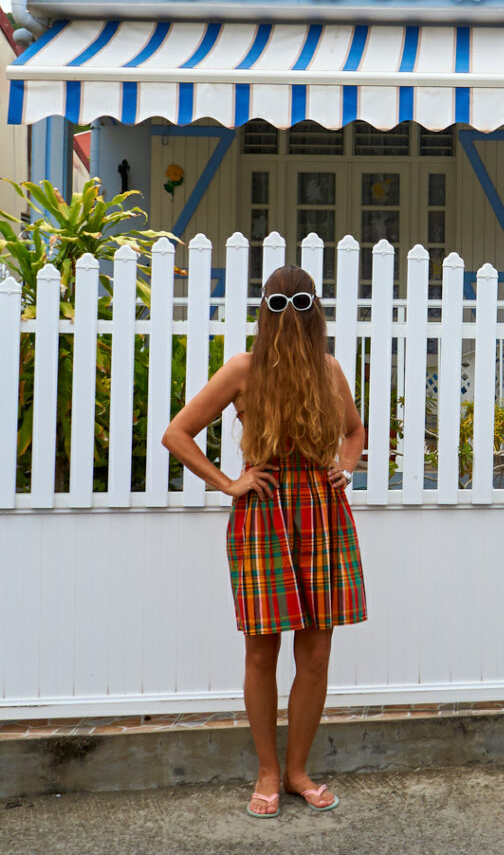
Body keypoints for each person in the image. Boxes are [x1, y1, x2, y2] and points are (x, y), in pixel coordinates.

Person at [163, 265, 367, 819]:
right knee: (261, 650)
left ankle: (299, 770)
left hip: (323, 514)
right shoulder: (243, 370)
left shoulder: (329, 371)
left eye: (300, 303)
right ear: (264, 312)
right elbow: (177, 433)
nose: (291, 314)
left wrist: (345, 467)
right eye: (279, 304)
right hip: (264, 514)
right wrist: (230, 482)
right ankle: (268, 771)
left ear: (315, 312)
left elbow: (354, 430)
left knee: (317, 653)